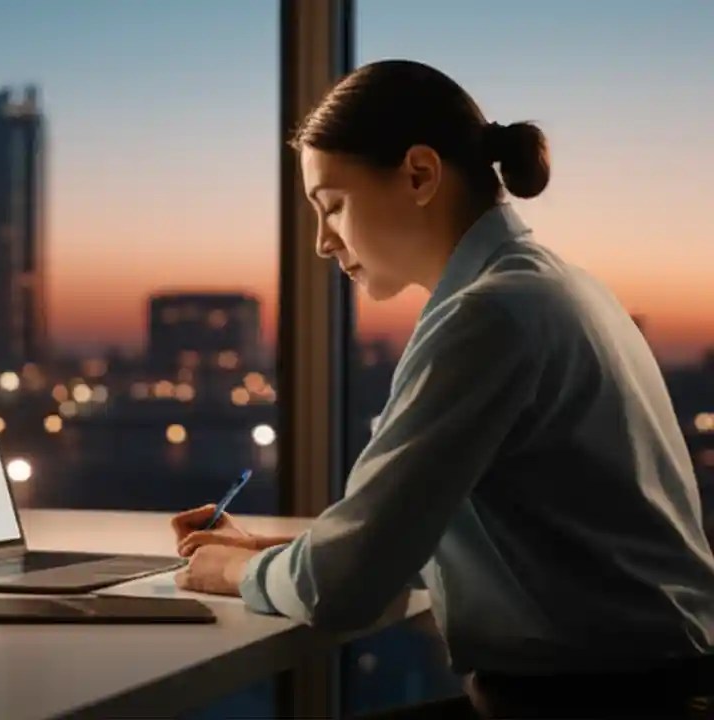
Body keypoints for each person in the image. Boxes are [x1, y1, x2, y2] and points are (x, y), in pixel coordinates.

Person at [170, 59, 714, 718]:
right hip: (648, 688)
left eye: (331, 205)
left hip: (586, 706)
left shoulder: (488, 317)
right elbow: (437, 536)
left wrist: (231, 573)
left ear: (420, 175)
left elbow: (344, 591)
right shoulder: (561, 288)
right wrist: (290, 554)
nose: (321, 242)